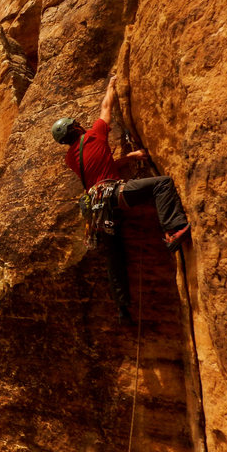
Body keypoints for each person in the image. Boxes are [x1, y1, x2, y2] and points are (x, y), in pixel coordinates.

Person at [51, 76, 191, 323]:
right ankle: (174, 229)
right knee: (162, 183)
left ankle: (122, 307)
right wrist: (111, 84)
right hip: (114, 194)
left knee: (113, 256)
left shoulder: (70, 159)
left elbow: (104, 166)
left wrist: (132, 156)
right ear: (76, 129)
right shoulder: (94, 134)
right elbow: (107, 107)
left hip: (96, 209)